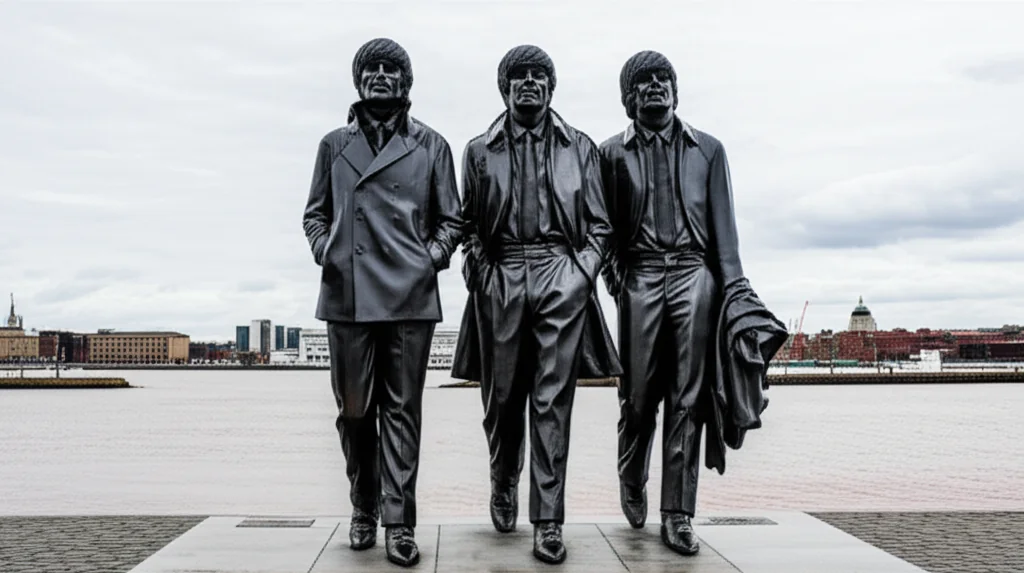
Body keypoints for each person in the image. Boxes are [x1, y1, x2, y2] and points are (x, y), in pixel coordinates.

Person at [599, 50, 788, 556]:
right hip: (639, 277)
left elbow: (726, 234)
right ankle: (631, 472)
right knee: (638, 399)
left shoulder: (709, 150)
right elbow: (605, 230)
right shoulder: (610, 154)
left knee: (687, 398)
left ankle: (677, 514)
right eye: (644, 81)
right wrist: (619, 280)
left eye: (664, 79)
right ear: (629, 96)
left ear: (675, 91)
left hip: (694, 277)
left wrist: (736, 292)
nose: (655, 86)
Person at [451, 45, 622, 565]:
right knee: (501, 398)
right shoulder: (479, 150)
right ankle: (503, 479)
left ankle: (548, 520)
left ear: (551, 86)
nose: (529, 83)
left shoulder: (581, 148)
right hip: (501, 272)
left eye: (538, 75)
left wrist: (581, 274)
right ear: (504, 87)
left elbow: (600, 226)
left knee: (552, 401)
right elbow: (469, 227)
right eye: (519, 76)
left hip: (560, 273)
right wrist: (482, 271)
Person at [301, 37, 462, 568]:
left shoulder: (433, 145)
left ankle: (398, 521)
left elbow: (452, 220)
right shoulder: (332, 145)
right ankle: (362, 504)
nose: (380, 74)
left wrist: (429, 259)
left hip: (411, 298)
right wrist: (329, 252)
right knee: (352, 412)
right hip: (347, 296)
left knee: (402, 412)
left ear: (406, 82)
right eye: (370, 67)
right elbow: (314, 214)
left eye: (391, 68)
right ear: (357, 79)